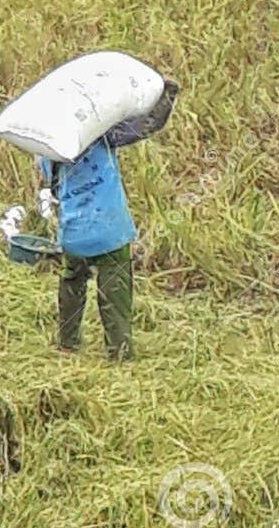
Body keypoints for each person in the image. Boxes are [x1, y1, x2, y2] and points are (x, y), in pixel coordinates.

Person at [40, 80, 179, 361]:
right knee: (115, 290)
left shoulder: (47, 148)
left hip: (73, 231)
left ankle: (67, 343)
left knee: (72, 282)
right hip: (109, 229)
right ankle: (119, 351)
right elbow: (147, 125)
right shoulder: (104, 136)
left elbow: (52, 186)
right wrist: (168, 96)